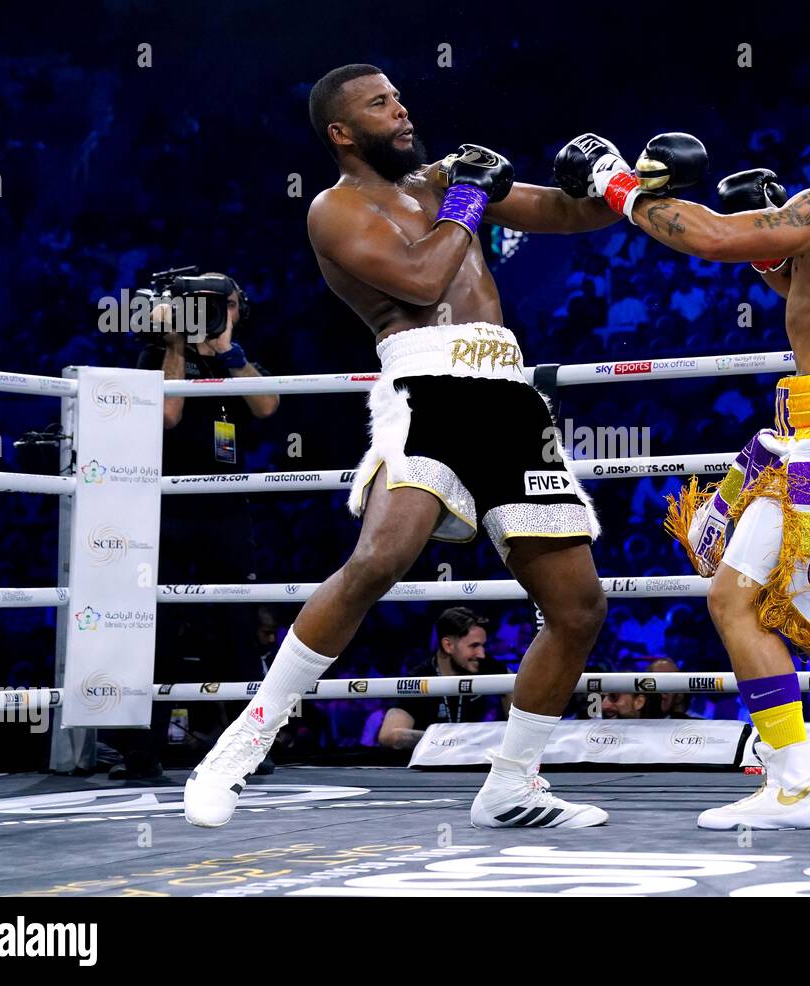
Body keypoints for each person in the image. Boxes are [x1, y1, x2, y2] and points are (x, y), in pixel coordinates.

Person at [185, 64, 624, 830]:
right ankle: (238, 748)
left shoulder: (446, 179)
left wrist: (626, 183)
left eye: (398, 97)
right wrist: (469, 197)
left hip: (506, 388)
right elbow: (421, 281)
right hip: (426, 382)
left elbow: (567, 214)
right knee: (379, 559)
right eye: (380, 104)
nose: (401, 110)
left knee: (578, 607)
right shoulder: (334, 209)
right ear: (342, 132)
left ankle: (512, 784)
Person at [558, 66, 810, 829]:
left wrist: (617, 184)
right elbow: (806, 294)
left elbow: (711, 238)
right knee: (786, 601)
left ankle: (796, 787)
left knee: (737, 601)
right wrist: (773, 257)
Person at [109, 274, 278, 781]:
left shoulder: (237, 360)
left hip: (225, 511)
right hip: (165, 509)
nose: (220, 314)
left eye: (227, 305)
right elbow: (167, 416)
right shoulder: (155, 356)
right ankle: (143, 750)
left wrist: (225, 351)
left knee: (237, 630)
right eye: (207, 306)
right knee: (157, 627)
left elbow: (267, 406)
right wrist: (176, 345)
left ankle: (247, 749)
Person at [378, 607, 508, 754]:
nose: (481, 654)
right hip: (429, 762)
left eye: (483, 645)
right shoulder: (421, 677)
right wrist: (447, 741)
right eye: (474, 646)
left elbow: (521, 720)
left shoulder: (489, 667)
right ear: (448, 645)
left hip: (479, 759)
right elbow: (389, 735)